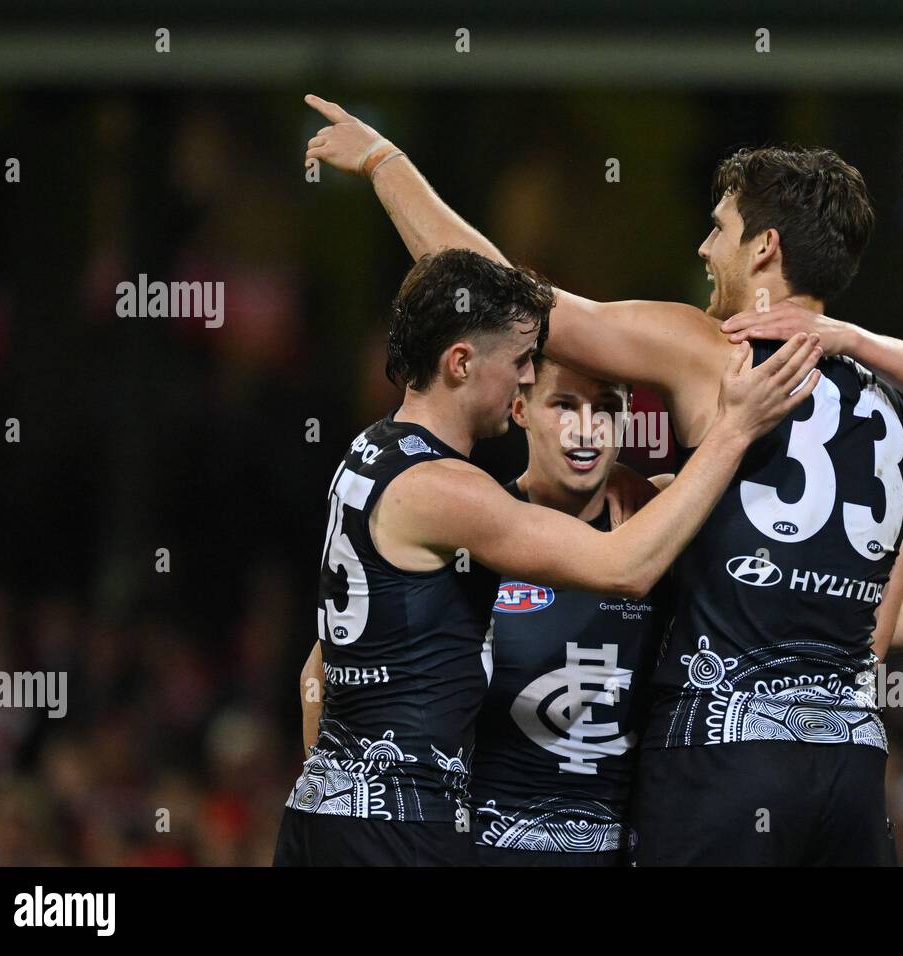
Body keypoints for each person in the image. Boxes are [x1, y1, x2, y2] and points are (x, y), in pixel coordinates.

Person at [302, 96, 903, 864]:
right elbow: (821, 580)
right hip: (851, 769)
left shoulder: (709, 351)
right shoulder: (896, 422)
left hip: (721, 761)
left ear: (764, 249)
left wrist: (389, 166)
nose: (705, 246)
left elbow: (499, 293)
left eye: (719, 227)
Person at [273, 247, 823, 865]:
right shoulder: (449, 491)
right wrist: (734, 429)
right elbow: (626, 568)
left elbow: (314, 673)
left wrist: (341, 794)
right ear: (460, 363)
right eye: (518, 362)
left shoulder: (369, 453)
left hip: (324, 812)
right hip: (404, 822)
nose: (525, 377)